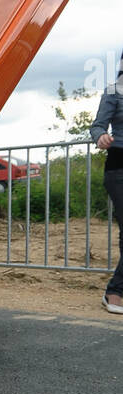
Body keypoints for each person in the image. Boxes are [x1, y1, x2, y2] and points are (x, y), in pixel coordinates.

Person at [90, 56, 123, 313]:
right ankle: (115, 291)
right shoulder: (114, 91)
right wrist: (100, 136)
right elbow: (98, 125)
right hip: (119, 169)